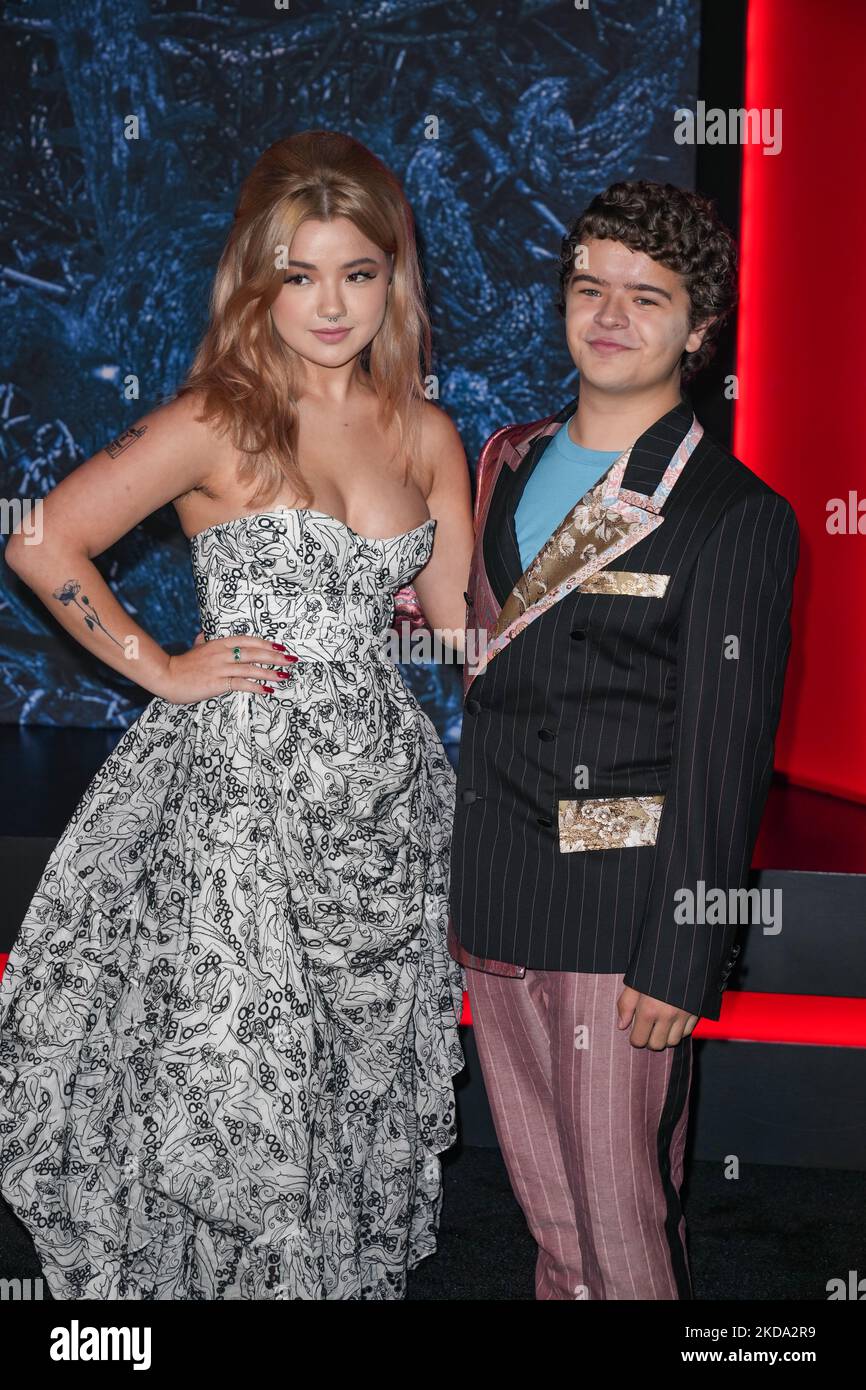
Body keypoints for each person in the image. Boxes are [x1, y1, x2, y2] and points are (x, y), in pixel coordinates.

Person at [0, 130, 472, 1300]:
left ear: (390, 280)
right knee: (241, 1091)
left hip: (381, 815)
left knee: (350, 1090)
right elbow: (41, 538)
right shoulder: (218, 416)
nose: (330, 304)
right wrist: (155, 664)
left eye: (357, 273)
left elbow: (462, 628)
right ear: (256, 281)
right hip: (239, 803)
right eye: (299, 275)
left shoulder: (423, 429)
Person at [447, 180, 800, 1300]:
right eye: (588, 286)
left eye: (644, 297)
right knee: (548, 1219)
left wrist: (684, 955)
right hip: (496, 889)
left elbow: (725, 749)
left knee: (618, 1219)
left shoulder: (731, 512)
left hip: (621, 915)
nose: (608, 314)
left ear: (697, 332)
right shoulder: (503, 459)